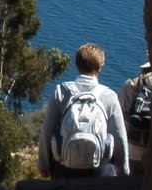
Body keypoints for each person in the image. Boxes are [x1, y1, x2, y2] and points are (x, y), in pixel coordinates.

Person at [37, 42, 129, 179]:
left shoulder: (61, 92)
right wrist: (123, 169)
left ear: (76, 65)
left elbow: (46, 132)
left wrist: (43, 166)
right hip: (99, 171)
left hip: (64, 168)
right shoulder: (109, 96)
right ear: (101, 66)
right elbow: (120, 137)